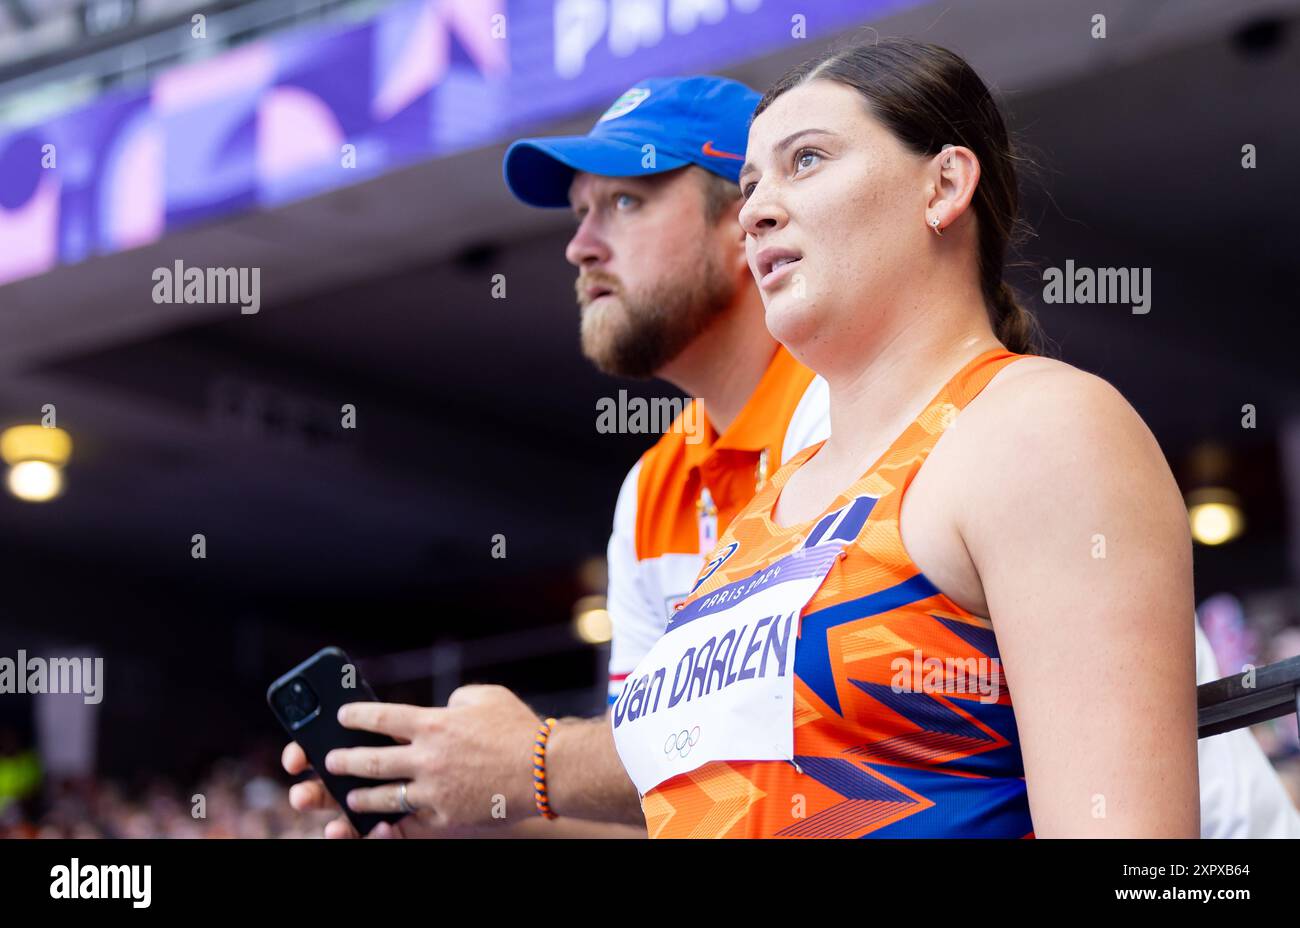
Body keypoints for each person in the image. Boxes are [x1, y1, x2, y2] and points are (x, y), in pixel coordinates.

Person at [608, 38, 1202, 837]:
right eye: (749, 186)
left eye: (806, 160)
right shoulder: (764, 506)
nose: (755, 210)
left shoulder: (1041, 430)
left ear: (945, 184)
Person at [280, 75, 829, 837]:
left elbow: (818, 744)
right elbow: (663, 810)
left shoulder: (851, 417)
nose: (579, 246)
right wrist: (465, 805)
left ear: (745, 225)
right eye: (579, 214)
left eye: (624, 202)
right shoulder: (651, 490)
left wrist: (533, 756)